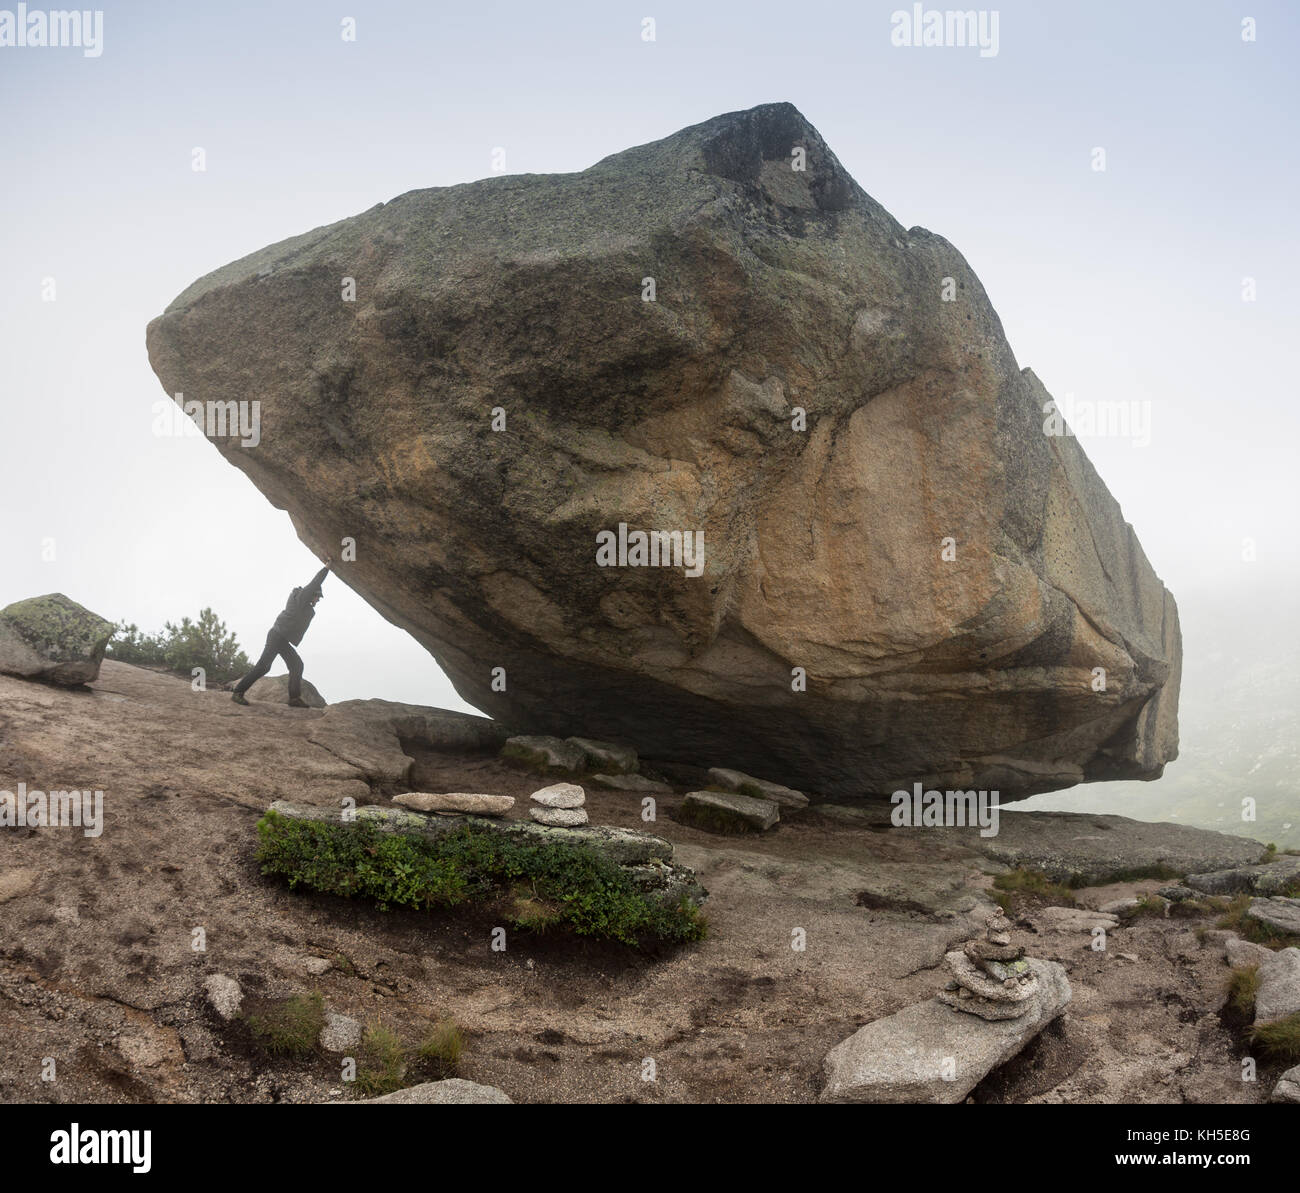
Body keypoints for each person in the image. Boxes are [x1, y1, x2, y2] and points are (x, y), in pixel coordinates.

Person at [231, 557, 332, 707]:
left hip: (282, 638)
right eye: (317, 597)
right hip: (277, 635)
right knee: (263, 666)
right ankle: (238, 692)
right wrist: (327, 568)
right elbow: (315, 583)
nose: (318, 600)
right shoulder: (301, 598)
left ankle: (294, 699)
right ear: (312, 594)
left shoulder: (305, 605)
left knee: (297, 665)